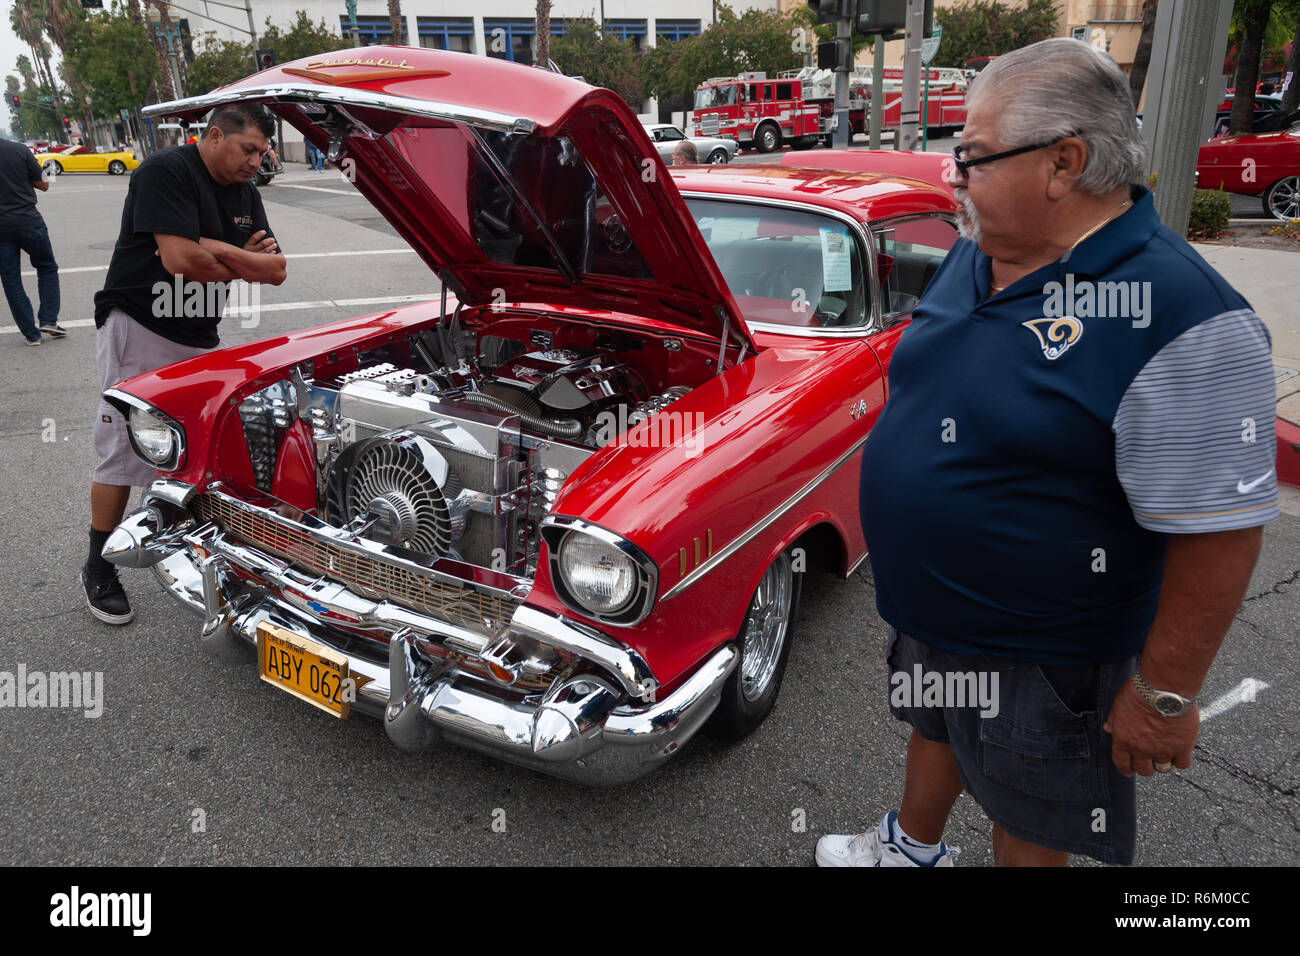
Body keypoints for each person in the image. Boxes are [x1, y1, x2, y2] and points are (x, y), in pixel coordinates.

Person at [817, 38, 1277, 867]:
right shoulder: (982, 246)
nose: (953, 175)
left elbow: (1221, 531)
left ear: (1065, 163)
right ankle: (908, 848)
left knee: (1031, 814)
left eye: (976, 155)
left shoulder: (1184, 316)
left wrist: (1164, 696)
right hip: (937, 617)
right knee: (937, 726)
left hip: (1046, 654)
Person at [83, 103, 287, 624]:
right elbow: (180, 261)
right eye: (248, 149)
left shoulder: (246, 193)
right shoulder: (165, 172)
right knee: (123, 453)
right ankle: (98, 567)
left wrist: (217, 248)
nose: (256, 161)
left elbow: (278, 271)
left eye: (263, 152)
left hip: (200, 334)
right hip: (139, 326)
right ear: (215, 136)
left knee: (198, 454)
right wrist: (240, 259)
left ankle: (195, 552)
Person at [0, 136, 64, 345]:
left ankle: (31, 334)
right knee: (46, 267)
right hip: (29, 222)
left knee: (11, 280)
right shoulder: (19, 150)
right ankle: (48, 320)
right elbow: (43, 184)